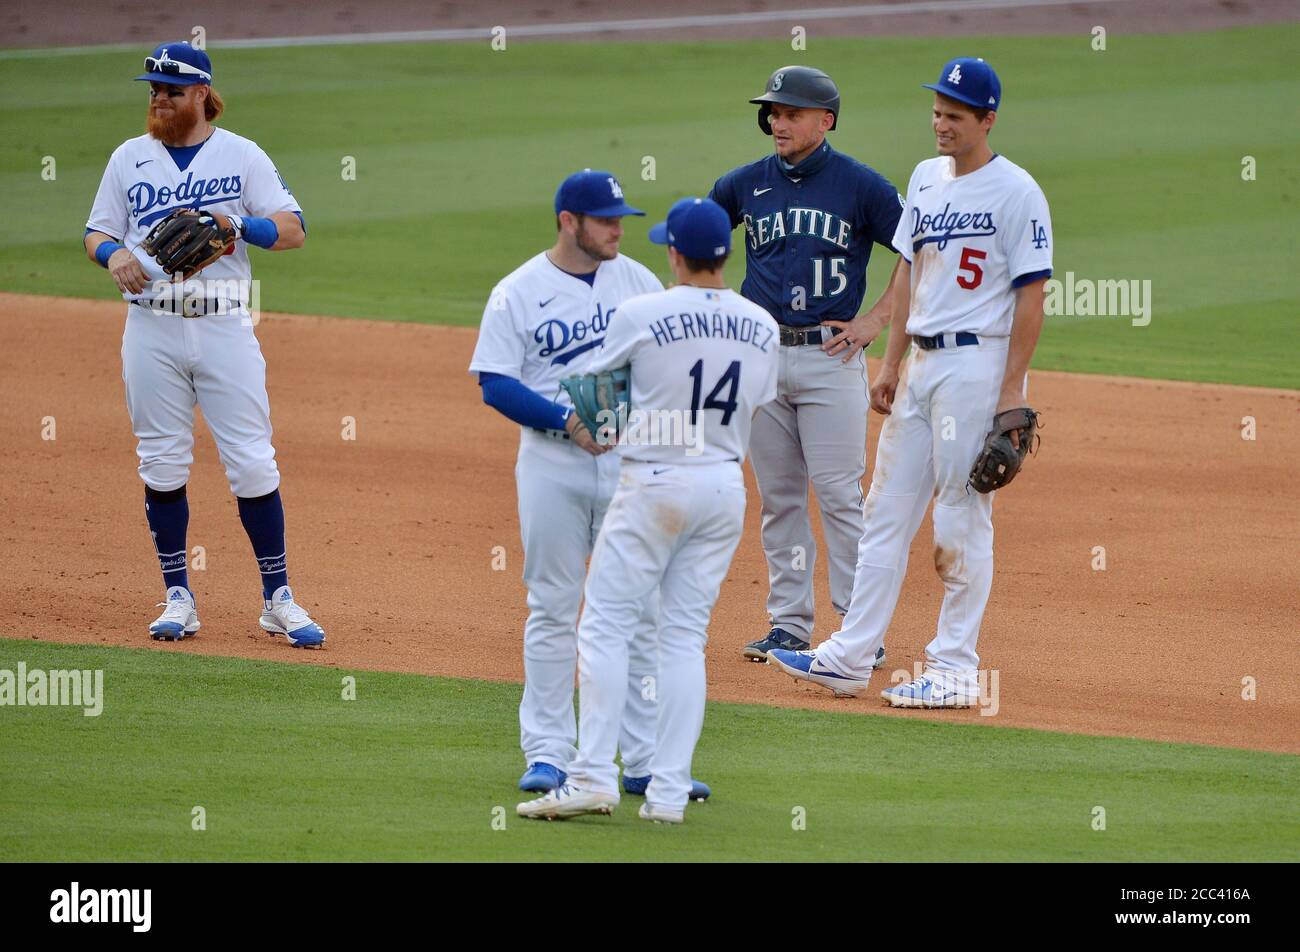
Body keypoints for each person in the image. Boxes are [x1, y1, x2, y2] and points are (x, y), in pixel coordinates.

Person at [767, 57, 1053, 706]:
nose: (940, 124)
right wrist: (890, 364)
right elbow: (908, 273)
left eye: (954, 115)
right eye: (936, 112)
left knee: (959, 514)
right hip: (921, 362)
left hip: (977, 368)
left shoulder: (1017, 193)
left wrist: (1012, 393)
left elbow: (1033, 298)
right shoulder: (925, 178)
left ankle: (954, 670)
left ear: (987, 119)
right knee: (883, 514)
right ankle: (851, 652)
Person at [517, 198, 779, 823]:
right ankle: (667, 793)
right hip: (723, 485)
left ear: (674, 253)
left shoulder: (641, 311)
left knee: (604, 624)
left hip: (653, 483)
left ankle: (591, 777)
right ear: (725, 254)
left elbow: (592, 387)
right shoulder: (761, 323)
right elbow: (758, 400)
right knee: (684, 638)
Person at [469, 170, 710, 800]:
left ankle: (646, 758)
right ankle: (549, 752)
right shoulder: (517, 292)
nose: (618, 229)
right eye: (605, 219)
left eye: (621, 218)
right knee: (552, 605)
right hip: (552, 464)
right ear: (568, 221)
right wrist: (564, 419)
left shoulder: (636, 280)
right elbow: (494, 381)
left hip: (630, 464)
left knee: (642, 610)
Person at [83, 41, 324, 647]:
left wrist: (237, 224)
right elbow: (97, 231)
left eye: (169, 90)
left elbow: (293, 230)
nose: (158, 99)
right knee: (161, 460)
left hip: (223, 326)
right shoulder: (129, 158)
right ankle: (178, 596)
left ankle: (278, 598)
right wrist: (113, 256)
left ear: (201, 95)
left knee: (251, 461)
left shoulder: (241, 155)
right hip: (150, 327)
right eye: (152, 90)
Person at [708, 66, 905, 665]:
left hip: (831, 356)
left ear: (827, 121)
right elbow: (698, 246)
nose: (778, 122)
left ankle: (857, 633)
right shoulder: (742, 185)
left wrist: (875, 321)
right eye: (773, 112)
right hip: (763, 358)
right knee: (781, 499)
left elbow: (918, 254)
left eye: (791, 113)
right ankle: (789, 625)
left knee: (841, 495)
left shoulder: (862, 186)